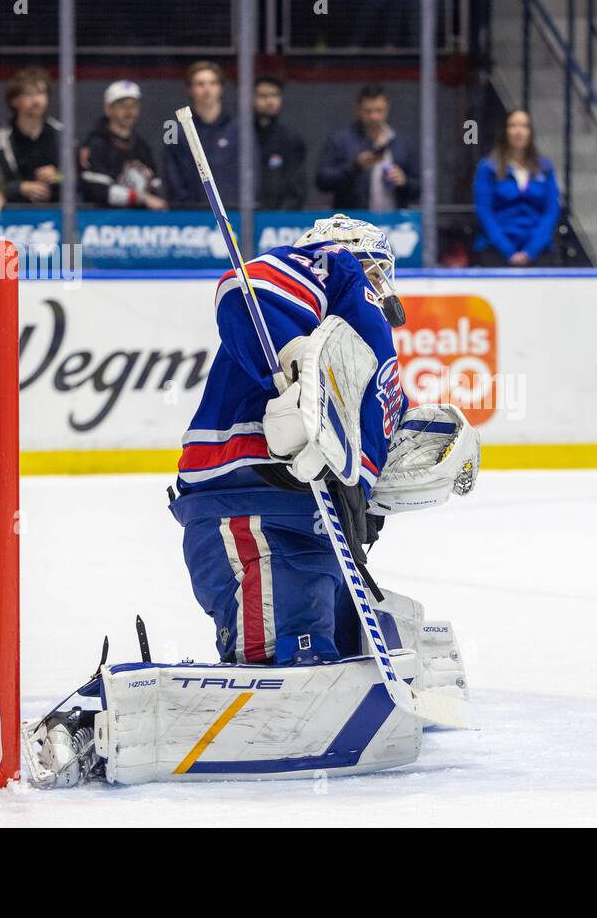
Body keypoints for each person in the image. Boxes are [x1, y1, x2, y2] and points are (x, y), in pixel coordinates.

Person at [169, 214, 476, 665]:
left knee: (340, 647)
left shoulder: (373, 356)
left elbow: (353, 444)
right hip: (252, 504)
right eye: (376, 268)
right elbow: (246, 291)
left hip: (314, 523)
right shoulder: (334, 266)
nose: (380, 280)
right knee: (288, 654)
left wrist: (376, 485)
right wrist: (294, 357)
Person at [473, 110, 561, 267]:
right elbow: (484, 212)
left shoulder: (545, 168)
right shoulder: (488, 168)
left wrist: (531, 251)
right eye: (513, 125)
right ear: (504, 131)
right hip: (496, 249)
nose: (518, 131)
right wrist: (508, 251)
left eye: (524, 126)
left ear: (530, 132)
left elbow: (551, 211)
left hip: (538, 250)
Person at [315, 84, 418, 211]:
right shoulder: (341, 140)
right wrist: (355, 167)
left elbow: (418, 189)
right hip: (353, 222)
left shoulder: (402, 143)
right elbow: (322, 181)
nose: (374, 117)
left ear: (387, 109)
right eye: (368, 111)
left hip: (394, 222)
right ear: (357, 110)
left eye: (379, 111)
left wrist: (404, 182)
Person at [78, 80, 166, 209]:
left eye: (133, 105)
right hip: (103, 223)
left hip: (142, 225)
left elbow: (156, 188)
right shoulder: (94, 145)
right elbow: (97, 190)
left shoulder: (142, 146)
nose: (129, 111)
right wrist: (141, 198)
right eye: (122, 105)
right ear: (108, 109)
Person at [164, 61, 238, 207]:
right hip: (190, 215)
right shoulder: (172, 128)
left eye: (212, 83)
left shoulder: (239, 128)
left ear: (221, 88)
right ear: (190, 89)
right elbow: (170, 175)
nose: (207, 89)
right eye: (200, 84)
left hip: (232, 213)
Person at [0, 67, 63, 204]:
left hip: (58, 215)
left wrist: (58, 176)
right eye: (28, 94)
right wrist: (19, 188)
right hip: (15, 219)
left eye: (41, 93)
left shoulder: (63, 135)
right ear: (14, 100)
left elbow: (78, 177)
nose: (36, 100)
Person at [252, 75, 307, 210]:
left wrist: (281, 217)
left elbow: (297, 187)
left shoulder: (290, 139)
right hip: (238, 216)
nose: (270, 101)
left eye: (275, 95)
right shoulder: (239, 135)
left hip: (277, 219)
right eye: (263, 96)